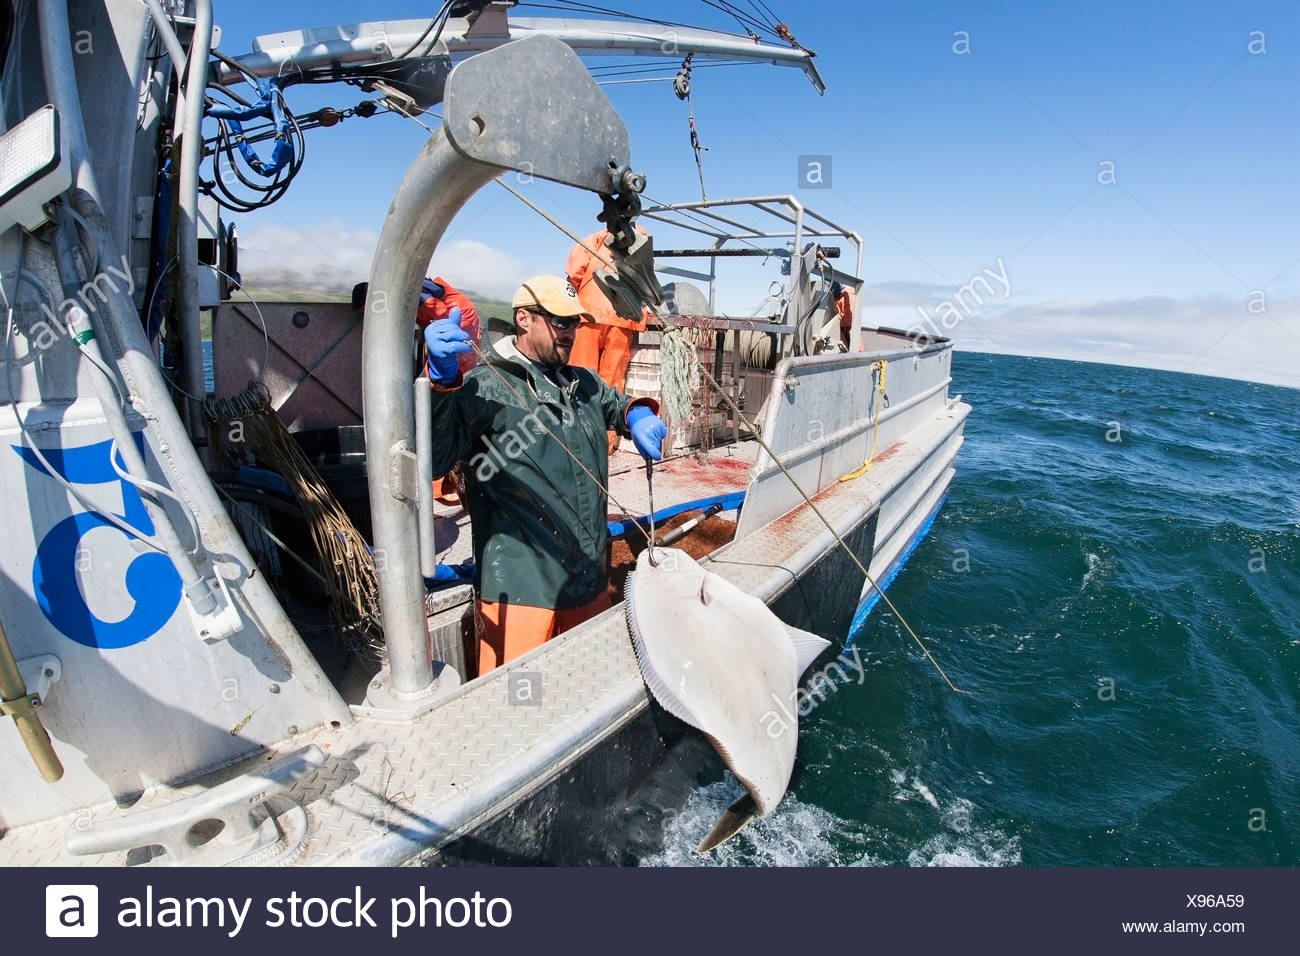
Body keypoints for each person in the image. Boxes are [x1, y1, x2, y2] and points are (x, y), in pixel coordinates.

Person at [423, 274, 668, 673]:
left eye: (575, 323)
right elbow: (435, 458)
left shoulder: (582, 383)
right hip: (521, 590)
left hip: (587, 578)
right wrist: (440, 384)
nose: (570, 333)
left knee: (588, 688)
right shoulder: (483, 387)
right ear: (524, 319)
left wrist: (637, 414)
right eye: (560, 322)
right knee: (519, 705)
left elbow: (616, 405)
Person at [565, 229, 653, 453]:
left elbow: (575, 271)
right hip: (625, 315)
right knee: (612, 380)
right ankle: (607, 441)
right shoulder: (643, 239)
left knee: (580, 376)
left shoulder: (595, 238)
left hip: (589, 312)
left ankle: (577, 436)